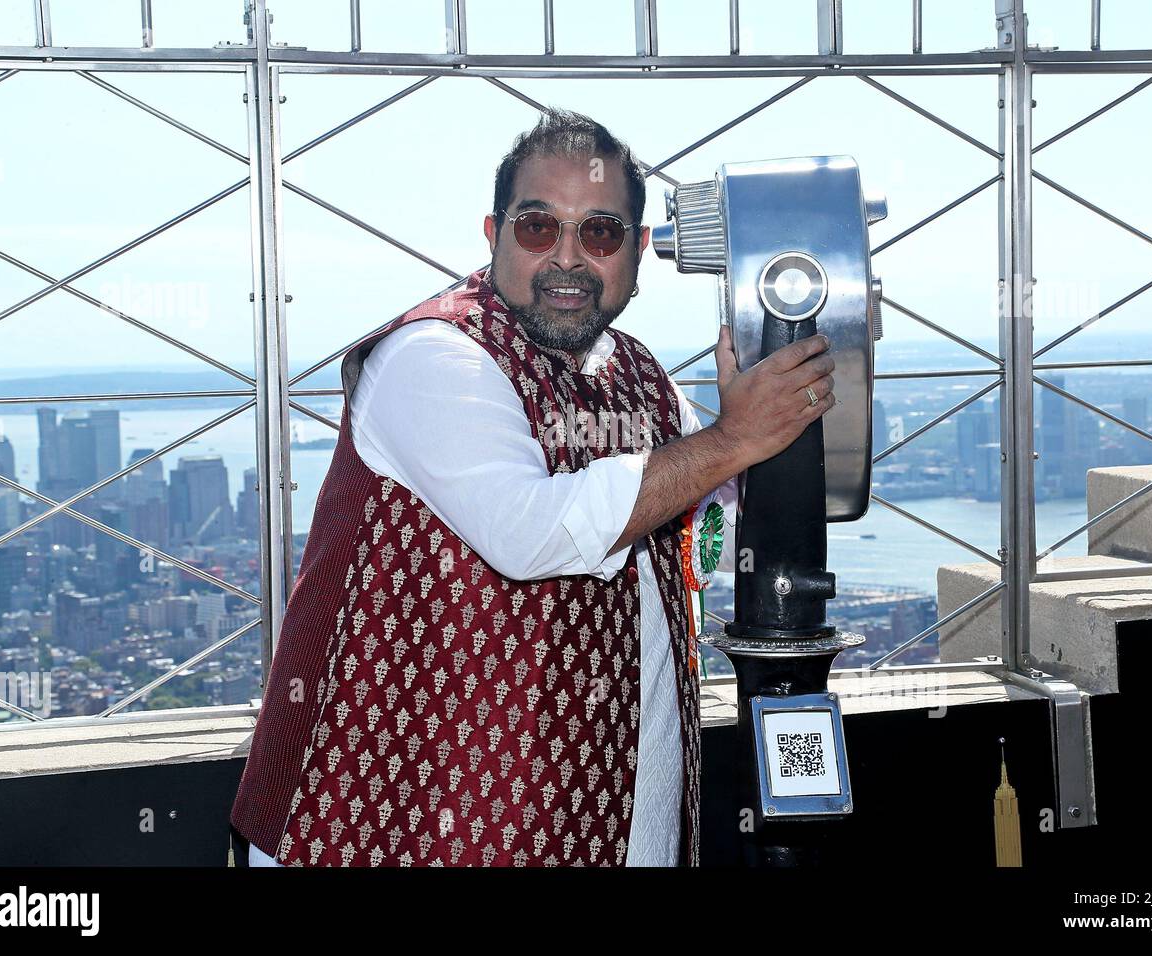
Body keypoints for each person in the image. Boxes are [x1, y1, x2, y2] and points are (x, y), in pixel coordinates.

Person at [229, 107, 836, 867]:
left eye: (602, 233)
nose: (569, 259)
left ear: (639, 252)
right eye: (539, 228)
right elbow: (530, 531)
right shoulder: (432, 357)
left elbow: (707, 525)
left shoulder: (643, 378)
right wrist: (732, 440)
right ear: (494, 235)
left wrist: (771, 429)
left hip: (604, 817)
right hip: (396, 824)